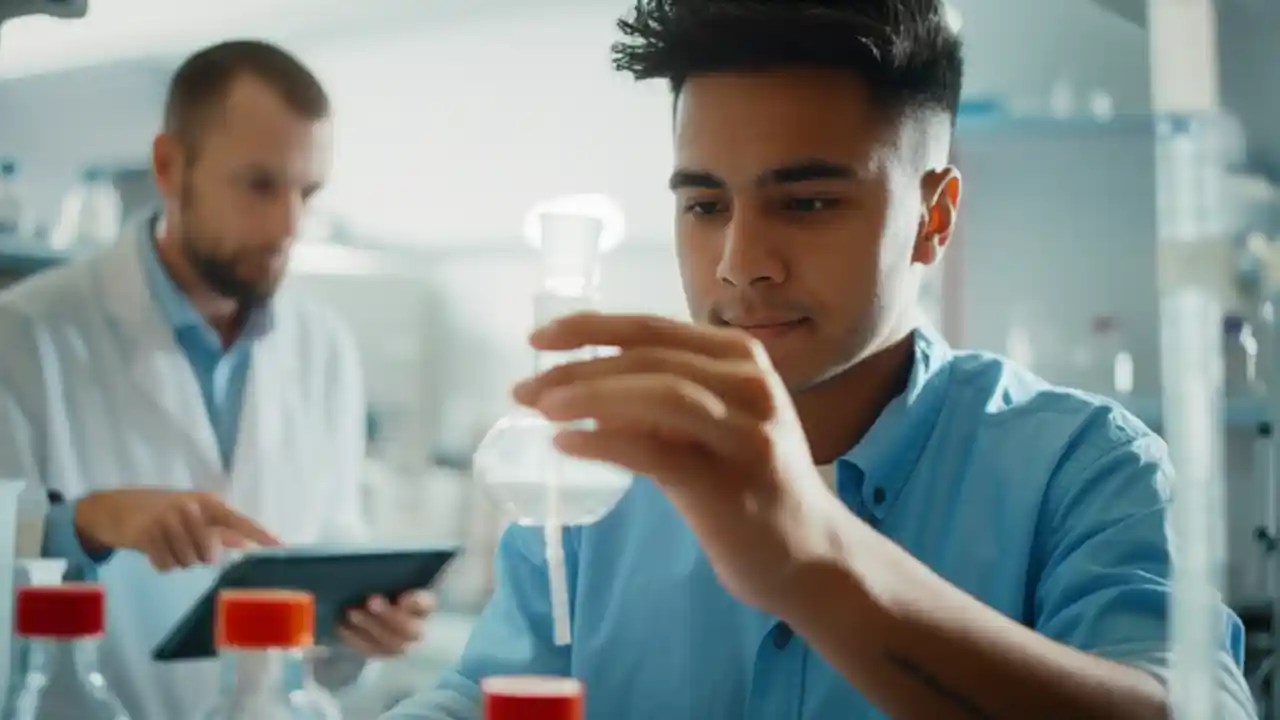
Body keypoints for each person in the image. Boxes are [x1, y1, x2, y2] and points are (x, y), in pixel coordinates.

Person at [389, 1, 1257, 719]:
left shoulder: (1082, 467)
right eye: (703, 205)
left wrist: (816, 560)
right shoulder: (600, 473)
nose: (740, 262)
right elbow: (482, 694)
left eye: (805, 202)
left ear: (934, 216)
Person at [0, 41, 432, 720]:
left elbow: (323, 590)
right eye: (260, 185)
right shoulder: (26, 335)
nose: (290, 226)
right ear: (170, 167)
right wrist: (86, 521)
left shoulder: (324, 348)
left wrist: (363, 628)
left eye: (306, 192)